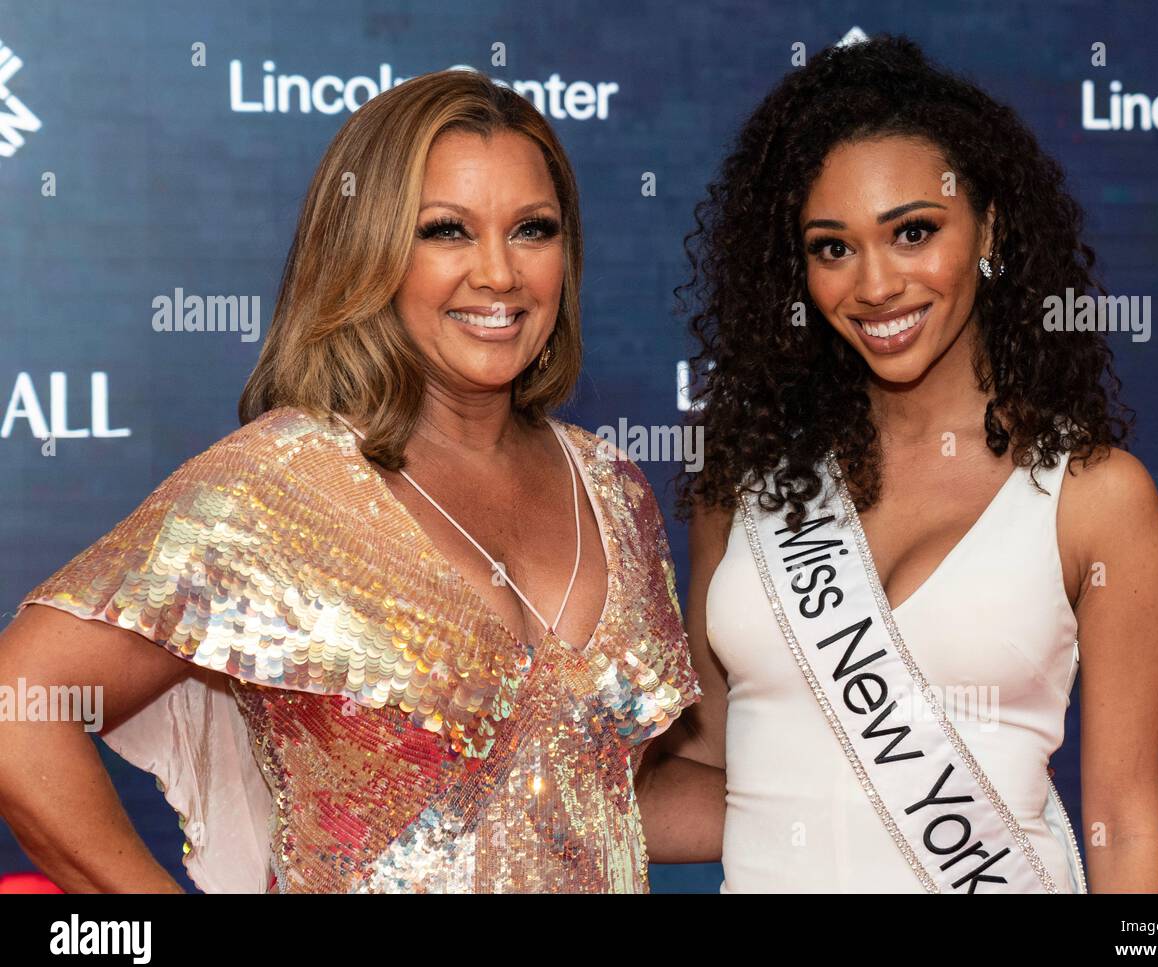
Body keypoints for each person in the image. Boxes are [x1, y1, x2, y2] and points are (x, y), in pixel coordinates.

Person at [0, 68, 700, 894]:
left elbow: (606, 792)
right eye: (445, 230)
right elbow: (20, 712)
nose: (499, 274)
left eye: (533, 229)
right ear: (368, 249)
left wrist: (851, 803)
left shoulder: (613, 488)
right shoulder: (282, 484)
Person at [644, 35, 1158, 892]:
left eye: (914, 232)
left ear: (988, 229)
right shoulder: (745, 488)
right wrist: (490, 795)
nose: (877, 284)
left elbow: (1126, 824)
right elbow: (717, 762)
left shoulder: (1094, 497)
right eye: (833, 247)